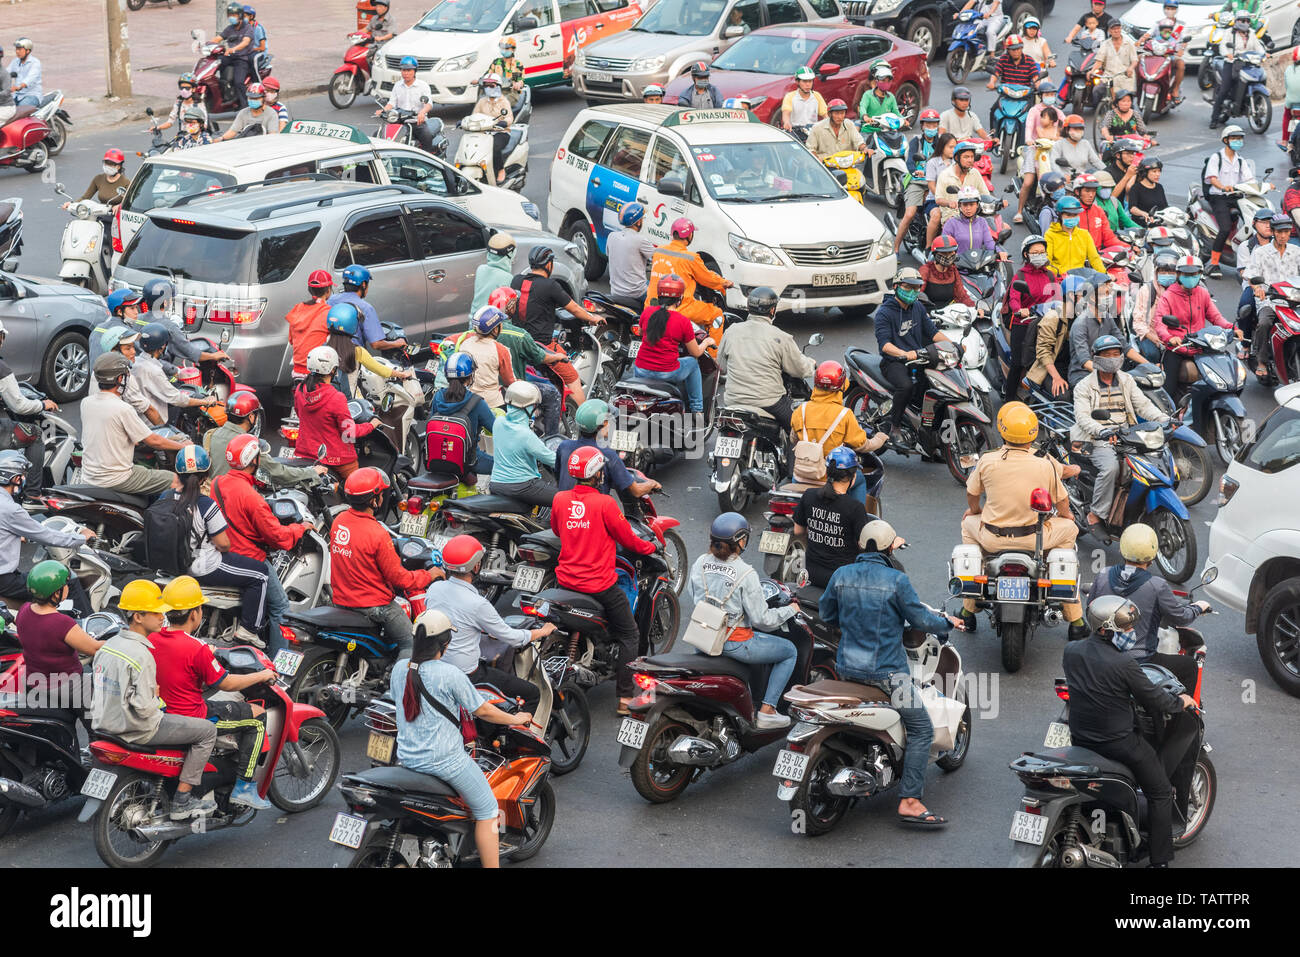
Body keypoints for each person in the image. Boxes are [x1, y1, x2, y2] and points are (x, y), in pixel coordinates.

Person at [820, 519, 961, 827]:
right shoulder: (896, 580)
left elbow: (827, 613)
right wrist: (949, 622)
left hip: (846, 669)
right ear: (887, 548)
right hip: (888, 675)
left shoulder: (841, 575)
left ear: (860, 544)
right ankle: (910, 800)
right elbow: (920, 618)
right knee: (922, 729)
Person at [1062, 594, 1200, 867]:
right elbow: (1155, 699)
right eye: (1125, 629)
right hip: (1118, 743)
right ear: (1106, 629)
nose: (1130, 633)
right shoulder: (1124, 664)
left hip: (1080, 738)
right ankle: (1160, 861)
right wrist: (1181, 702)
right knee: (1160, 791)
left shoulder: (1072, 651)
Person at [390, 610, 532, 869]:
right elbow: (484, 710)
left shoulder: (399, 669)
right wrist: (516, 719)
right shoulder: (449, 674)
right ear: (445, 644)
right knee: (488, 810)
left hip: (407, 758)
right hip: (445, 762)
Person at [92, 580, 219, 821]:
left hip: (104, 723)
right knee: (207, 731)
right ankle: (183, 799)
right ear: (138, 616)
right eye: (155, 612)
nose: (163, 616)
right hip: (138, 728)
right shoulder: (142, 654)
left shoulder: (109, 645)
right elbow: (144, 707)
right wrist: (159, 701)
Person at [150, 575, 276, 810]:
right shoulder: (196, 649)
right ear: (195, 613)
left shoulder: (152, 638)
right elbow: (226, 684)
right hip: (192, 717)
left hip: (162, 713)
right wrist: (262, 676)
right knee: (258, 717)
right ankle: (244, 787)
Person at [960, 403, 1085, 635]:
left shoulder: (987, 460)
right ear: (1033, 432)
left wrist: (974, 510)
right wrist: (1067, 517)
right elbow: (1062, 502)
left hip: (992, 539)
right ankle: (1075, 618)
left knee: (967, 526)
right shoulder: (1044, 464)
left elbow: (972, 493)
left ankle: (968, 610)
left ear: (1002, 429)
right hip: (1034, 541)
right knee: (1069, 530)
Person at [552, 446, 656, 715]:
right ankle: (624, 699)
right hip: (599, 586)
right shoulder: (605, 503)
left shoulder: (560, 499)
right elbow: (627, 538)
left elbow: (557, 528)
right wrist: (649, 547)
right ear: (598, 475)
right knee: (629, 634)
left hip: (564, 583)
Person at [689, 513, 799, 729]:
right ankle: (767, 710)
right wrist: (790, 610)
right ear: (740, 541)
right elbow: (762, 619)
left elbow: (694, 597)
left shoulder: (700, 563)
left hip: (702, 638)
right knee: (789, 651)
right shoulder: (746, 573)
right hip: (734, 644)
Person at [427, 535, 554, 714]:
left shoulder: (434, 589)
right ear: (476, 566)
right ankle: (517, 739)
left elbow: (453, 619)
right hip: (469, 675)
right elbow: (513, 638)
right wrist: (542, 631)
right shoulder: (477, 604)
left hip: (437, 666)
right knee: (532, 693)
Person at [211, 434, 311, 654]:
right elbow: (279, 538)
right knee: (281, 607)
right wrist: (300, 528)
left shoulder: (217, 483)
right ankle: (278, 665)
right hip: (250, 557)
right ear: (253, 460)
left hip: (222, 554)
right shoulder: (252, 498)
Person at [165, 445, 271, 646]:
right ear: (206, 475)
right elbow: (223, 545)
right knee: (260, 574)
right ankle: (249, 630)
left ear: (178, 473)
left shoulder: (165, 498)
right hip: (203, 566)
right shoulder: (205, 504)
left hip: (172, 563)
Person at [1088, 525, 1209, 693]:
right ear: (1151, 556)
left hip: (1101, 657)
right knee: (1189, 666)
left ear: (1123, 549)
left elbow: (1091, 610)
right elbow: (1181, 617)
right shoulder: (1156, 586)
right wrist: (1198, 607)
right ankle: (1182, 709)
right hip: (1141, 661)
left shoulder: (1103, 575)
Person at [331, 467, 436, 659]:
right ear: (374, 500)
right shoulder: (378, 534)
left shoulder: (339, 521)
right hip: (374, 606)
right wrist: (429, 575)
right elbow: (399, 578)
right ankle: (398, 686)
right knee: (410, 643)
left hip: (341, 600)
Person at [1072, 335, 1169, 526]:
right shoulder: (1083, 386)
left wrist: (1164, 419)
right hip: (1097, 438)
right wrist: (1102, 431)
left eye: (1116, 354)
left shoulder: (1127, 380)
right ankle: (1096, 514)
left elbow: (1143, 405)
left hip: (1126, 436)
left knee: (1151, 462)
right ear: (1096, 357)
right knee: (1111, 468)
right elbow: (1083, 417)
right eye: (1107, 355)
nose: (1112, 358)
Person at [81, 354, 187, 496]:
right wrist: (184, 446)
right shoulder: (123, 408)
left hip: (88, 476)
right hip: (116, 479)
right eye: (126, 375)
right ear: (120, 379)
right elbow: (154, 441)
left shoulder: (86, 403)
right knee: (175, 481)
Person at [0, 453, 94, 613]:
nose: (23, 480)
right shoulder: (11, 509)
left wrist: (15, 535)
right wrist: (81, 537)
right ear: (15, 479)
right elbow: (46, 535)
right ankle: (87, 628)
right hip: (5, 581)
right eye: (22, 476)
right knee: (67, 579)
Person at [717, 286, 815, 430]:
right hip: (769, 402)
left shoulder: (731, 331)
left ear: (749, 308)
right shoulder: (781, 337)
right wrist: (812, 364)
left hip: (733, 400)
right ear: (772, 310)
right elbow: (799, 369)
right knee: (799, 430)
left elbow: (721, 366)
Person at [512, 245, 598, 403]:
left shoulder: (517, 281)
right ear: (548, 264)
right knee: (573, 379)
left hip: (518, 344)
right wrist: (593, 318)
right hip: (543, 345)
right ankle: (587, 422)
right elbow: (575, 309)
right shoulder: (550, 286)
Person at [874, 269, 954, 437]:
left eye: (916, 288)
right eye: (908, 287)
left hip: (919, 358)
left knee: (937, 387)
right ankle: (894, 426)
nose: (912, 291)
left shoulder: (917, 307)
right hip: (894, 362)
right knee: (906, 386)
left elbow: (933, 333)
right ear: (896, 286)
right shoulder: (884, 313)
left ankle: (929, 433)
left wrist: (952, 345)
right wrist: (904, 353)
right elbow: (885, 345)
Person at [16, 561, 104, 698]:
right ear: (57, 593)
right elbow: (94, 648)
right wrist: (117, 640)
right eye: (66, 584)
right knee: (96, 715)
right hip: (66, 685)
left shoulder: (24, 610)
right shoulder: (62, 623)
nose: (68, 587)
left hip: (34, 681)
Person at [488, 285, 565, 437]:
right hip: (511, 389)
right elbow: (539, 356)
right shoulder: (519, 335)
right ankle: (552, 440)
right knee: (552, 394)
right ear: (510, 307)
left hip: (488, 387)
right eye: (515, 303)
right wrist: (558, 357)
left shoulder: (478, 330)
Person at [1154, 257, 1239, 395]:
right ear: (1178, 275)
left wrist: (1232, 328)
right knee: (1168, 389)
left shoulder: (1202, 293)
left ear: (1200, 274)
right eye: (1186, 274)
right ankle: (1167, 413)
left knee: (1225, 377)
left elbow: (1215, 317)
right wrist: (1169, 337)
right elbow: (1159, 323)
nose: (1190, 277)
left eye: (1193, 274)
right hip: (1178, 348)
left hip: (1202, 347)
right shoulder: (1168, 296)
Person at [791, 363, 887, 485]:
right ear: (841, 386)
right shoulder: (844, 415)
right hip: (830, 479)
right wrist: (879, 439)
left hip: (800, 476)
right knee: (861, 480)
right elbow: (861, 445)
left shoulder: (801, 410)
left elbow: (794, 439)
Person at [792, 447, 874, 588]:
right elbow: (864, 545)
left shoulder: (809, 495)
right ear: (853, 476)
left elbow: (798, 532)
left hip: (811, 574)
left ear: (827, 471)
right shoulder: (855, 507)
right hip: (842, 580)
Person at [645, 219, 733, 344]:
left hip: (652, 304)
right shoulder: (691, 258)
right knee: (717, 314)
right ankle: (712, 359)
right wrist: (724, 283)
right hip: (680, 307)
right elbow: (707, 278)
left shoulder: (658, 251)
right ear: (689, 235)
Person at [207, 391, 322, 486]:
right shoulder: (248, 445)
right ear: (251, 417)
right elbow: (279, 473)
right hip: (238, 499)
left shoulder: (210, 435)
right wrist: (311, 472)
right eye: (256, 415)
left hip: (215, 496)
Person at [293, 346, 374, 479]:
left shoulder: (300, 390)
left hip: (306, 453)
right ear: (332, 370)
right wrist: (371, 425)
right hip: (336, 459)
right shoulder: (336, 397)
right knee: (358, 491)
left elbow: (301, 414)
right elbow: (349, 433)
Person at [631, 274, 706, 413]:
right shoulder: (683, 321)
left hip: (640, 370)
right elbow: (696, 352)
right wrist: (707, 342)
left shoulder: (647, 312)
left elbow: (641, 332)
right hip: (666, 373)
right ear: (680, 298)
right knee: (693, 363)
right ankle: (697, 410)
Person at [555, 399, 659, 498]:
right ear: (605, 423)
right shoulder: (608, 455)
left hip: (564, 509)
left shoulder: (564, 447)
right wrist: (652, 484)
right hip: (593, 512)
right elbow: (636, 492)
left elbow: (559, 478)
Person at [1005, 235, 1062, 398]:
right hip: (1024, 323)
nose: (1040, 255)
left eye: (1042, 252)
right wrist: (1020, 309)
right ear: (1026, 255)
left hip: (1046, 324)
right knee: (1017, 364)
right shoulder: (1020, 276)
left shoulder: (1050, 275)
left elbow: (1058, 297)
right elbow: (1013, 299)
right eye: (1035, 252)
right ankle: (1009, 398)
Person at [131, 323, 222, 425]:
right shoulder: (153, 371)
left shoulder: (136, 361)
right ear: (162, 346)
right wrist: (206, 401)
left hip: (138, 418)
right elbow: (177, 399)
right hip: (152, 424)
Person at [1241, 215, 1300, 364]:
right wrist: (1257, 288)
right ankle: (1262, 362)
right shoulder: (1261, 252)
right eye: (1279, 232)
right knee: (1264, 323)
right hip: (1270, 300)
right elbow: (1251, 275)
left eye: (1286, 232)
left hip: (1293, 300)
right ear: (1273, 232)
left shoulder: (1296, 251)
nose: (1283, 236)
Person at [1067, 278, 1147, 386]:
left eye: (1108, 293)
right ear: (1092, 297)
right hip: (1083, 375)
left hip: (1108, 372)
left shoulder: (1107, 317)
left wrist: (1148, 365)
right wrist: (1109, 375)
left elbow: (1125, 346)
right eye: (1103, 294)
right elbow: (1085, 361)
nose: (1108, 297)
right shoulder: (1080, 324)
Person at [490, 381, 557, 507]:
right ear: (526, 408)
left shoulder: (498, 422)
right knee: (564, 499)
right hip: (522, 486)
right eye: (533, 406)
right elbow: (552, 460)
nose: (535, 409)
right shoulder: (526, 435)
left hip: (495, 484)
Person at [1203, 126, 1256, 278]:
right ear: (1226, 140)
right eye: (1234, 138)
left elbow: (1250, 179)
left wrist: (1262, 186)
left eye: (1240, 138)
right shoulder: (1217, 158)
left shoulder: (1240, 160)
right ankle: (1213, 264)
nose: (1237, 141)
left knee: (1253, 221)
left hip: (1235, 196)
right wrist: (1223, 187)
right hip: (1219, 196)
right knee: (1225, 228)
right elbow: (1212, 178)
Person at [452, 305, 515, 410]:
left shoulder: (465, 343)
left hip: (466, 400)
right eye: (500, 324)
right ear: (495, 330)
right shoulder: (500, 350)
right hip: (491, 403)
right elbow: (509, 381)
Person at [896, 110, 943, 250]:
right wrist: (915, 171)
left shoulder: (941, 143)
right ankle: (896, 248)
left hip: (936, 183)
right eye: (928, 124)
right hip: (917, 182)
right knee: (910, 214)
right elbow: (910, 162)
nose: (931, 128)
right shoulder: (916, 142)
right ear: (922, 126)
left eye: (934, 124)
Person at [1211, 14, 1266, 129]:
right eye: (1242, 20)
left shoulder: (1251, 33)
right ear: (1236, 21)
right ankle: (1214, 118)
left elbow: (1258, 47)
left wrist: (1264, 54)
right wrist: (1228, 54)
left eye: (1247, 20)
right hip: (1231, 63)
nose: (1244, 22)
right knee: (1225, 89)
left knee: (1261, 78)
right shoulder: (1229, 32)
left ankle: (1254, 111)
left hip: (1247, 63)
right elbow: (1223, 46)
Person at [377, 55, 438, 153]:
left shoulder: (423, 86)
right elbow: (391, 103)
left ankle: (427, 162)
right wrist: (383, 111)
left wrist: (422, 113)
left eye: (409, 70)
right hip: (399, 121)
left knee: (427, 137)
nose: (406, 73)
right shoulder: (397, 85)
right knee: (378, 134)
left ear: (415, 71)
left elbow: (429, 104)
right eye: (403, 70)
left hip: (416, 122)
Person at [985, 35, 1040, 137]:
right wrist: (992, 82)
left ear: (1021, 48)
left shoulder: (1029, 61)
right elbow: (996, 73)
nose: (1016, 51)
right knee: (994, 110)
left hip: (1025, 95)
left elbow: (1035, 77)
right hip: (1007, 94)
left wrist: (1038, 85)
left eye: (1018, 48)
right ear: (1008, 50)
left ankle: (1033, 136)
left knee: (1034, 114)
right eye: (1013, 49)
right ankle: (993, 134)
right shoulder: (1003, 59)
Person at [605, 204, 657, 311]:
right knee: (660, 303)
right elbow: (657, 258)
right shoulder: (640, 240)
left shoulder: (611, 236)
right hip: (636, 293)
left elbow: (609, 254)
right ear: (638, 222)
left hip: (615, 291)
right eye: (642, 219)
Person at [1131, 252, 1180, 362]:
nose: (1167, 274)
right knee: (1153, 355)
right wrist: (1152, 337)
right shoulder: (1147, 290)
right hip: (1150, 333)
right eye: (1163, 271)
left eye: (1171, 272)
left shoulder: (1181, 291)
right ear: (1156, 272)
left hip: (1175, 335)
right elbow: (1138, 321)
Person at [287, 270, 335, 378]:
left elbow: (291, 340)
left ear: (310, 290)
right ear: (328, 291)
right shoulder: (329, 312)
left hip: (297, 372)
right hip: (318, 373)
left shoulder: (297, 308)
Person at [1046, 196, 1104, 276]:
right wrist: (1056, 275)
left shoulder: (1084, 234)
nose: (1072, 218)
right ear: (1059, 215)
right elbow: (1047, 261)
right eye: (1068, 215)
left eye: (1075, 215)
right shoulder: (1050, 235)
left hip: (1081, 278)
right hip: (1059, 279)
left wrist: (1104, 275)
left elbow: (1094, 258)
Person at [472, 72, 514, 184]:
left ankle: (500, 169)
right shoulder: (482, 101)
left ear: (499, 86)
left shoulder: (504, 101)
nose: (488, 88)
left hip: (501, 132)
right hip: (484, 133)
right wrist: (463, 121)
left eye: (492, 86)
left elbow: (510, 117)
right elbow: (474, 115)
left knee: (494, 147)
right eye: (486, 85)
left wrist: (504, 122)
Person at [935, 140, 987, 228]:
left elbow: (985, 194)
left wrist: (998, 202)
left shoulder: (975, 173)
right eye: (966, 157)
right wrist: (949, 203)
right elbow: (938, 199)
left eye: (972, 157)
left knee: (1002, 228)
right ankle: (929, 242)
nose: (970, 160)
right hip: (952, 215)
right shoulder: (945, 175)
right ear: (957, 158)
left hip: (974, 215)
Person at [1073, 173, 1127, 256]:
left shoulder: (1099, 211)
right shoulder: (1070, 213)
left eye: (1093, 191)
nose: (1091, 195)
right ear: (1077, 192)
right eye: (1087, 191)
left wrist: (1128, 247)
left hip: (1097, 257)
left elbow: (1109, 238)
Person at [919, 235, 976, 307]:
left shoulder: (953, 270)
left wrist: (974, 308)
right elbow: (916, 294)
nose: (948, 256)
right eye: (944, 253)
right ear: (935, 254)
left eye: (950, 253)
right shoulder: (926, 270)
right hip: (929, 313)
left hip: (949, 313)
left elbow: (961, 295)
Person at [922, 132, 957, 244]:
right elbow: (931, 185)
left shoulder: (956, 163)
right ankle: (928, 246)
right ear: (942, 147)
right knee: (937, 215)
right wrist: (941, 198)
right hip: (934, 201)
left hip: (954, 200)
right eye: (950, 147)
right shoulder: (932, 163)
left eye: (955, 147)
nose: (953, 149)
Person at [64, 150, 130, 209]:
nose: (107, 166)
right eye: (106, 163)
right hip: (100, 213)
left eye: (110, 164)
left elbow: (130, 202)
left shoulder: (126, 183)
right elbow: (85, 197)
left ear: (118, 166)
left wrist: (119, 206)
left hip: (117, 216)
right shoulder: (98, 179)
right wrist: (72, 204)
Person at [218, 2, 255, 109]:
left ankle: (245, 106)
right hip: (230, 57)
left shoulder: (248, 28)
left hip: (242, 59)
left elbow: (245, 42)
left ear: (240, 16)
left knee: (238, 81)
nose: (231, 17)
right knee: (217, 63)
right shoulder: (229, 28)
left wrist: (233, 49)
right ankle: (224, 93)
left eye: (233, 15)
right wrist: (205, 45)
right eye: (230, 15)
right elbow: (218, 38)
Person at [942, 185, 998, 255]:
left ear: (977, 205)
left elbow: (989, 242)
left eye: (972, 204)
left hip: (978, 263)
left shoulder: (982, 222)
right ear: (960, 205)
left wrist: (999, 251)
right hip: (957, 263)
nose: (968, 208)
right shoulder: (951, 223)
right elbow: (945, 245)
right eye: (965, 205)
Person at [471, 232, 517, 314]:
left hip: (474, 321)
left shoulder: (480, 269)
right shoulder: (507, 277)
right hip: (492, 324)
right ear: (510, 254)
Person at [1093, 19, 1137, 96]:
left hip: (1124, 75)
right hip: (1109, 76)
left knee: (1126, 99)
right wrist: (1092, 71)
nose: (1116, 31)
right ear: (1109, 31)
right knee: (1096, 91)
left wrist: (1131, 68)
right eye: (1113, 29)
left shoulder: (1129, 43)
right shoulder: (1105, 44)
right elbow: (1099, 61)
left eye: (1118, 28)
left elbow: (1134, 60)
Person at [780, 66, 827, 134]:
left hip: (813, 132)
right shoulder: (790, 96)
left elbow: (826, 115)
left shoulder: (817, 96)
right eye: (804, 81)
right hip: (795, 131)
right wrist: (787, 122)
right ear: (797, 82)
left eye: (810, 81)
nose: (808, 84)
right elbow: (786, 113)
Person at [1127, 157, 1168, 225]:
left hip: (1159, 225)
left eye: (1159, 171)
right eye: (1154, 171)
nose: (1158, 174)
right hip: (1143, 227)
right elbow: (1132, 208)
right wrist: (1143, 213)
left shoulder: (1159, 187)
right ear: (1145, 173)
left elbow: (1165, 207)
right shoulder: (1136, 188)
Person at [490, 36, 526, 109]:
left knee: (500, 105)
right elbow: (488, 75)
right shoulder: (496, 62)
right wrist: (478, 80)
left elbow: (518, 80)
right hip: (496, 93)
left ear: (513, 50)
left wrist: (517, 84)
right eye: (502, 48)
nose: (504, 50)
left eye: (507, 48)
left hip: (511, 93)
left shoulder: (517, 64)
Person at [7, 38, 41, 108]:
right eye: (16, 49)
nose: (17, 52)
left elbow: (30, 78)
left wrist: (19, 87)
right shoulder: (15, 61)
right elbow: (6, 73)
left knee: (19, 111)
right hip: (16, 95)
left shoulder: (35, 63)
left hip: (31, 95)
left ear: (27, 51)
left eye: (20, 49)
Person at [1283, 47, 1300, 146]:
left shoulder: (1288, 69)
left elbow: (1286, 86)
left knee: (1286, 116)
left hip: (1291, 102)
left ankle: (1284, 141)